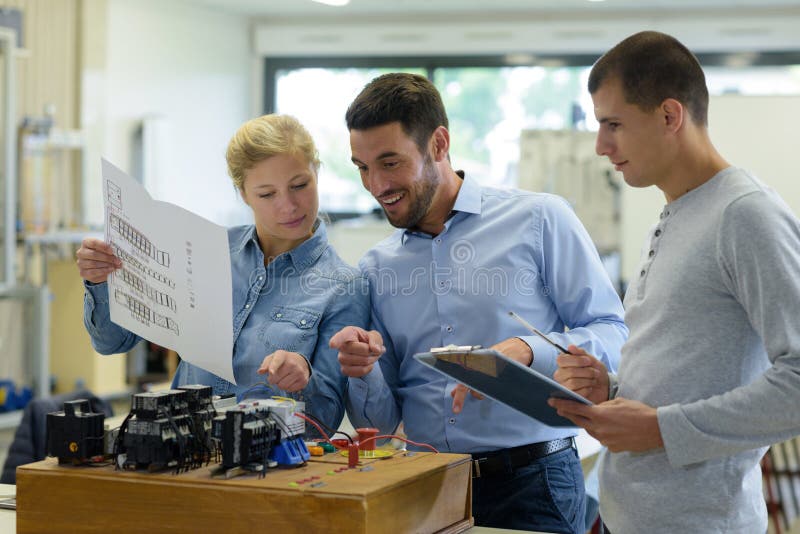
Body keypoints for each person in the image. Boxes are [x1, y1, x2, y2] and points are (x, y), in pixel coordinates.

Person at [328, 72, 628, 533]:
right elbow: (383, 420)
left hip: (533, 482)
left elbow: (613, 330)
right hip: (424, 485)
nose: (376, 184)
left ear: (439, 144)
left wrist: (530, 351)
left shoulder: (539, 218)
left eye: (390, 162)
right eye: (362, 167)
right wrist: (362, 369)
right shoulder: (376, 266)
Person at [549, 31, 800, 534]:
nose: (600, 146)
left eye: (613, 124)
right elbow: (693, 371)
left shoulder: (745, 214)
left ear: (669, 115)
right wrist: (613, 388)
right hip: (630, 515)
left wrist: (660, 429)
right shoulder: (675, 212)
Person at [78, 114, 370, 431]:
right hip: (182, 454)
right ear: (243, 193)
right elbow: (112, 342)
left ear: (317, 172)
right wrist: (101, 281)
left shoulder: (345, 287)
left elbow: (322, 423)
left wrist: (304, 379)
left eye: (299, 185)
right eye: (267, 194)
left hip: (268, 467)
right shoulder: (202, 250)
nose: (288, 206)